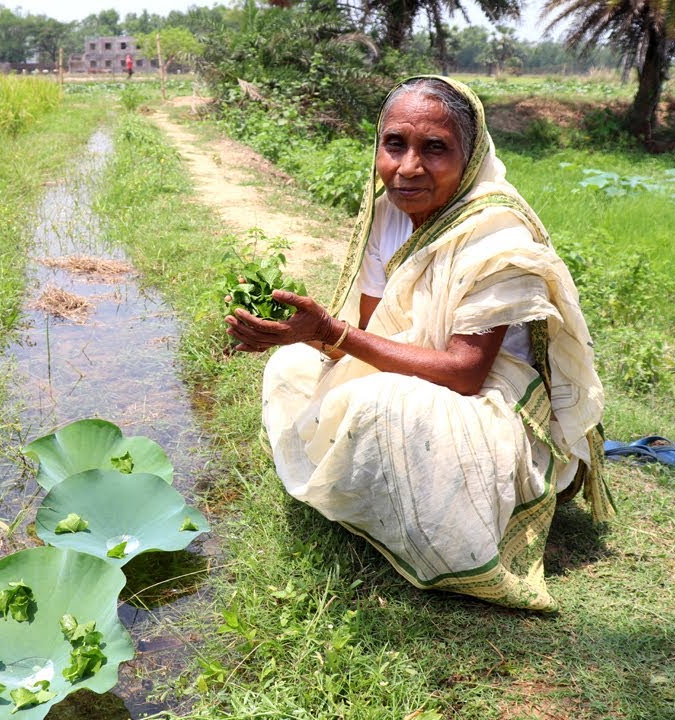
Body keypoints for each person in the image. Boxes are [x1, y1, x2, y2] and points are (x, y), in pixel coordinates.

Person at [225, 76, 612, 612]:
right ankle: (373, 502)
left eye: (434, 148)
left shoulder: (498, 235)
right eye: (394, 144)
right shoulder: (388, 210)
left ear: (469, 157)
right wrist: (303, 335)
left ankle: (459, 528)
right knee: (290, 366)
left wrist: (331, 332)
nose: (408, 167)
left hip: (493, 403)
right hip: (425, 376)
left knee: (381, 404)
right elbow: (373, 335)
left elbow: (464, 372)